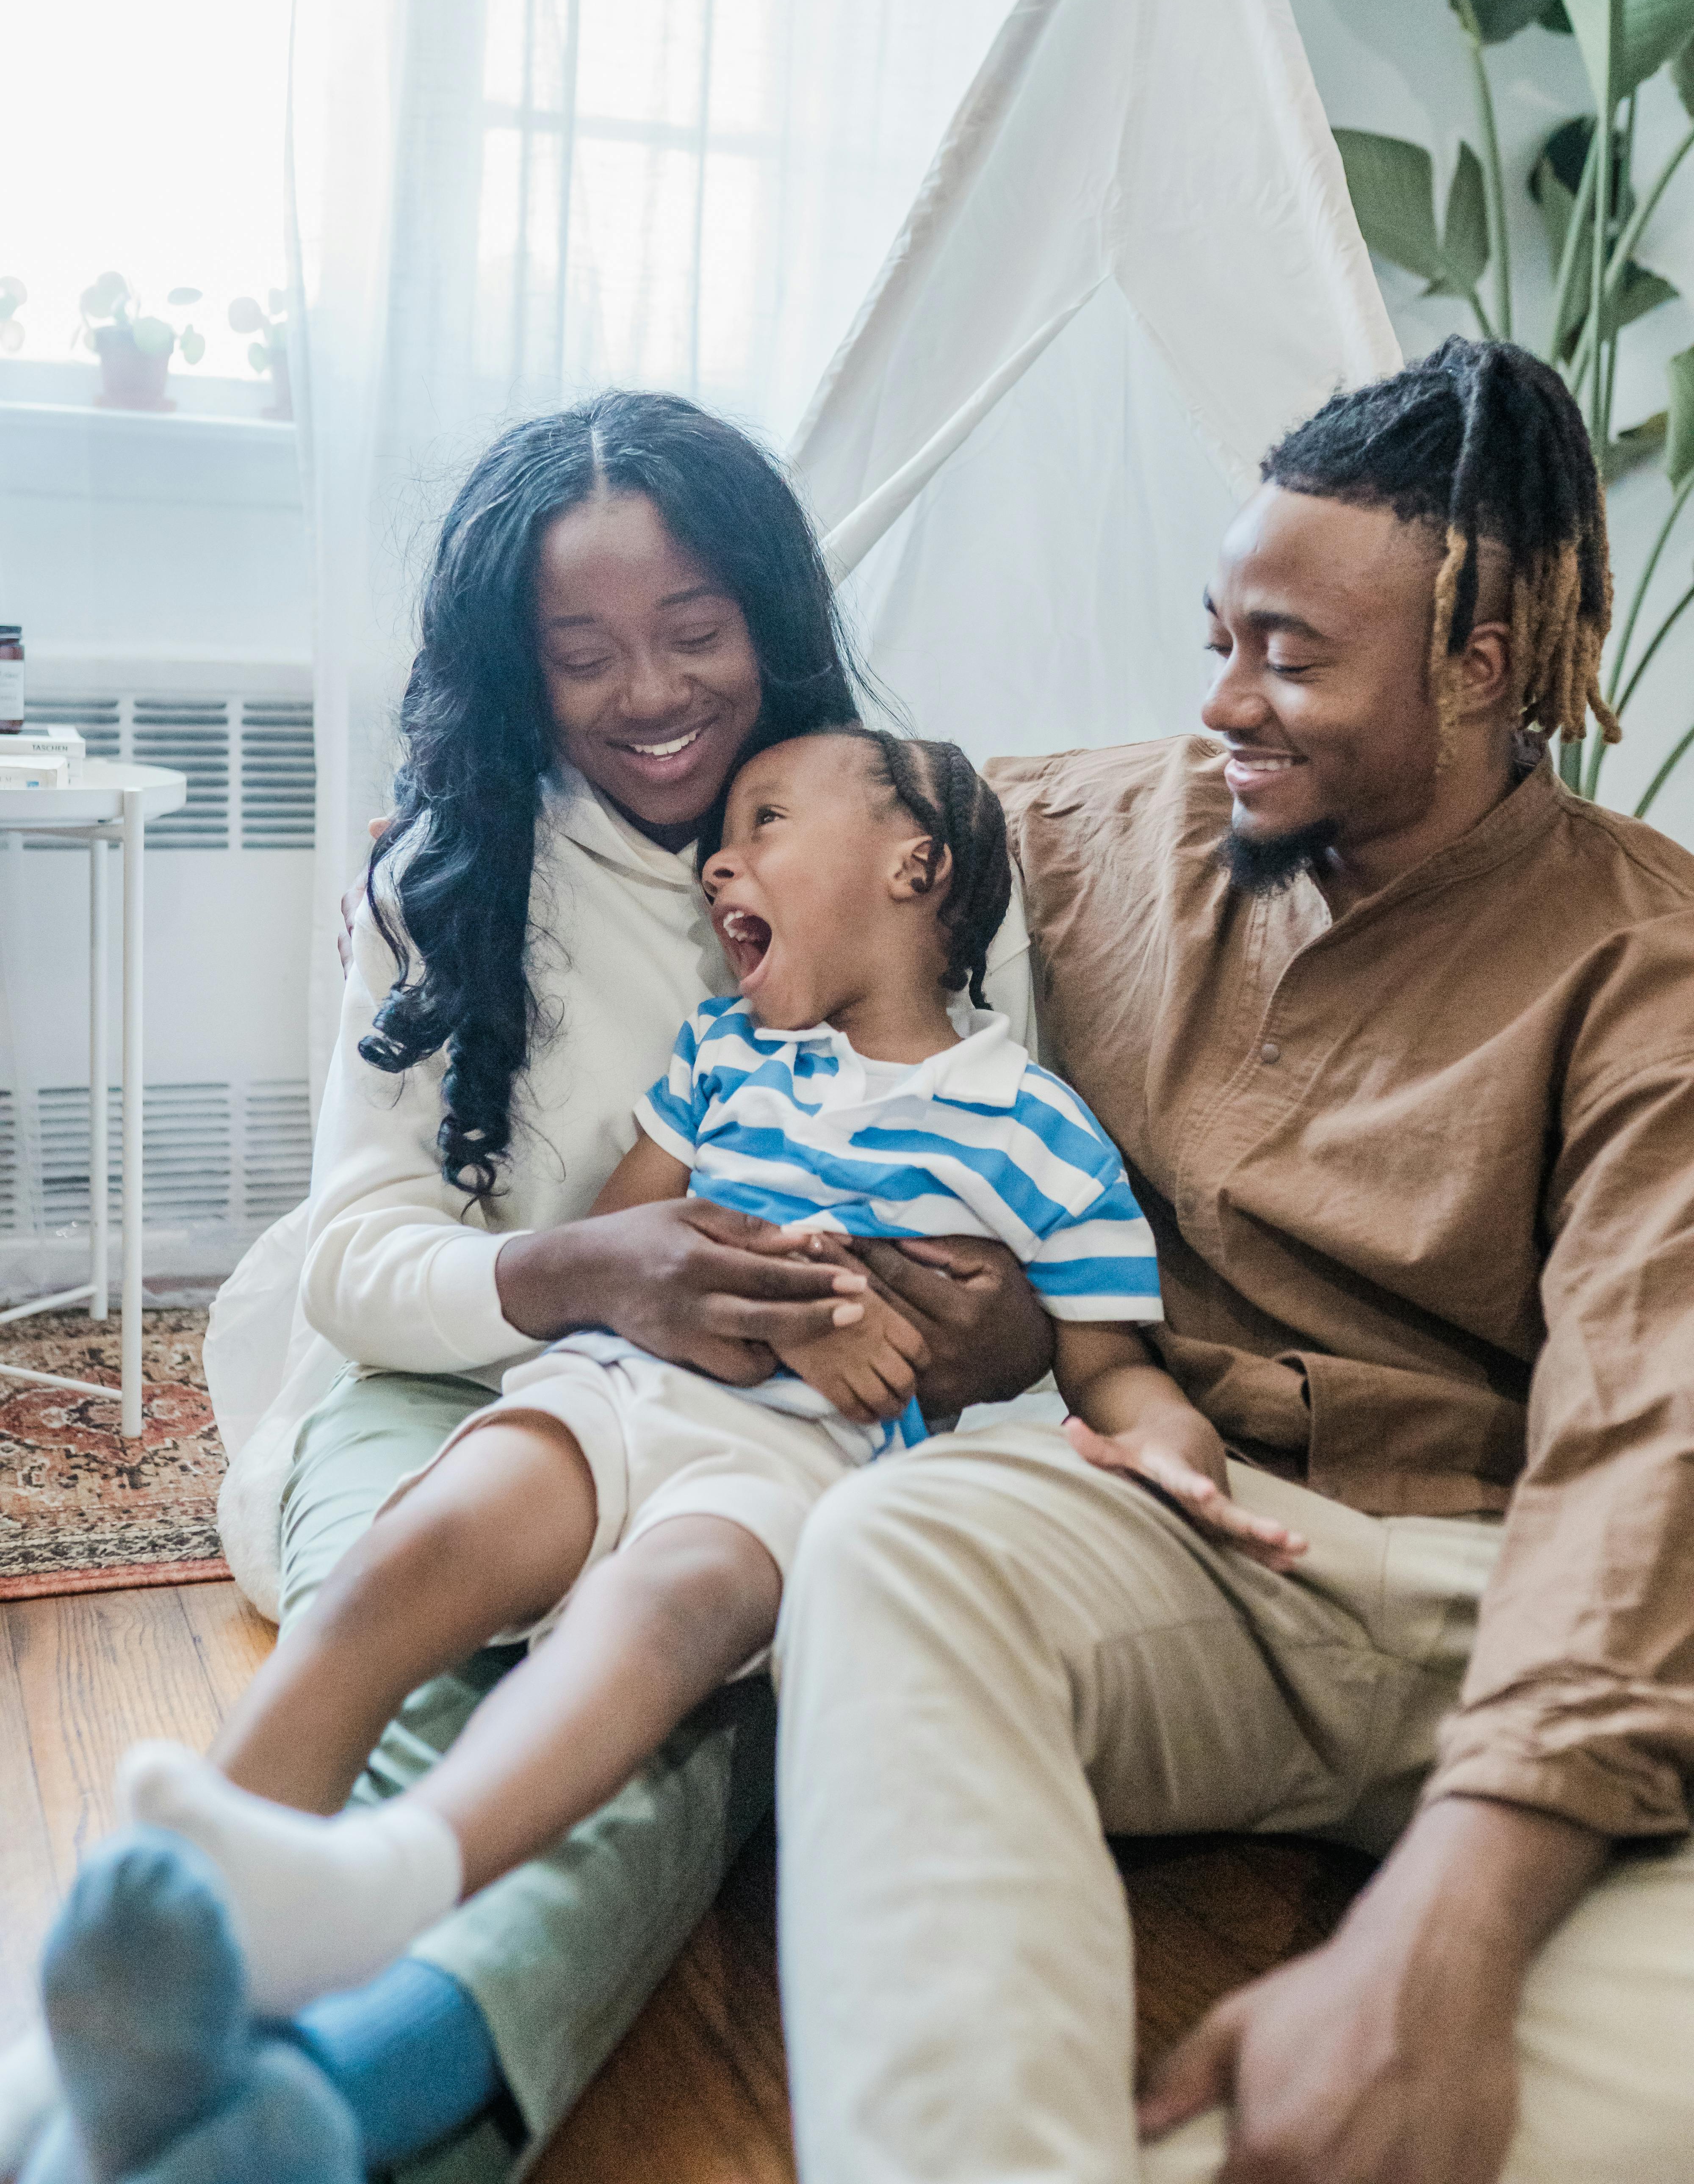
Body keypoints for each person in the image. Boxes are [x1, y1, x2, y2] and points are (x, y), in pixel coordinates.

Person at [1, 394, 1051, 2184]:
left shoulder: (915, 852)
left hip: (779, 1432)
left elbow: (1019, 1208)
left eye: (695, 631)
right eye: (584, 654)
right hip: (447, 1387)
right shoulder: (455, 874)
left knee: (671, 1707)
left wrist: (988, 1327)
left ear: (771, 619)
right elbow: (356, 1256)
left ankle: (333, 2104)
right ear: (518, 667)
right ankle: (105, 2050)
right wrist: (591, 1273)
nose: (650, 693)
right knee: (437, 1656)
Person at [774, 337, 1694, 2184]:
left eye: (1288, 655)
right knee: (893, 1543)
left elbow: (1648, 1452)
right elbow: (827, 827)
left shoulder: (1647, 960)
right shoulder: (1116, 826)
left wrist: (1442, 1934)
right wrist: (473, 868)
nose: (1223, 701)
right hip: (1213, 1558)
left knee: (1454, 2096)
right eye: (1218, 636)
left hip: (1532, 1602)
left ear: (1479, 668)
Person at [103, 728, 1257, 2039]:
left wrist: (1177, 1453)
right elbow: (626, 1244)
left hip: (805, 1467)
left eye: (767, 822)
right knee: (417, 1545)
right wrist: (797, 1308)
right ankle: (171, 1910)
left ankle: (394, 1881)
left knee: (664, 1614)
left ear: (915, 865)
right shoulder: (722, 1054)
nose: (719, 862)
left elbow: (1109, 1364)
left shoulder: (1040, 1129)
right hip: (619, 1387)